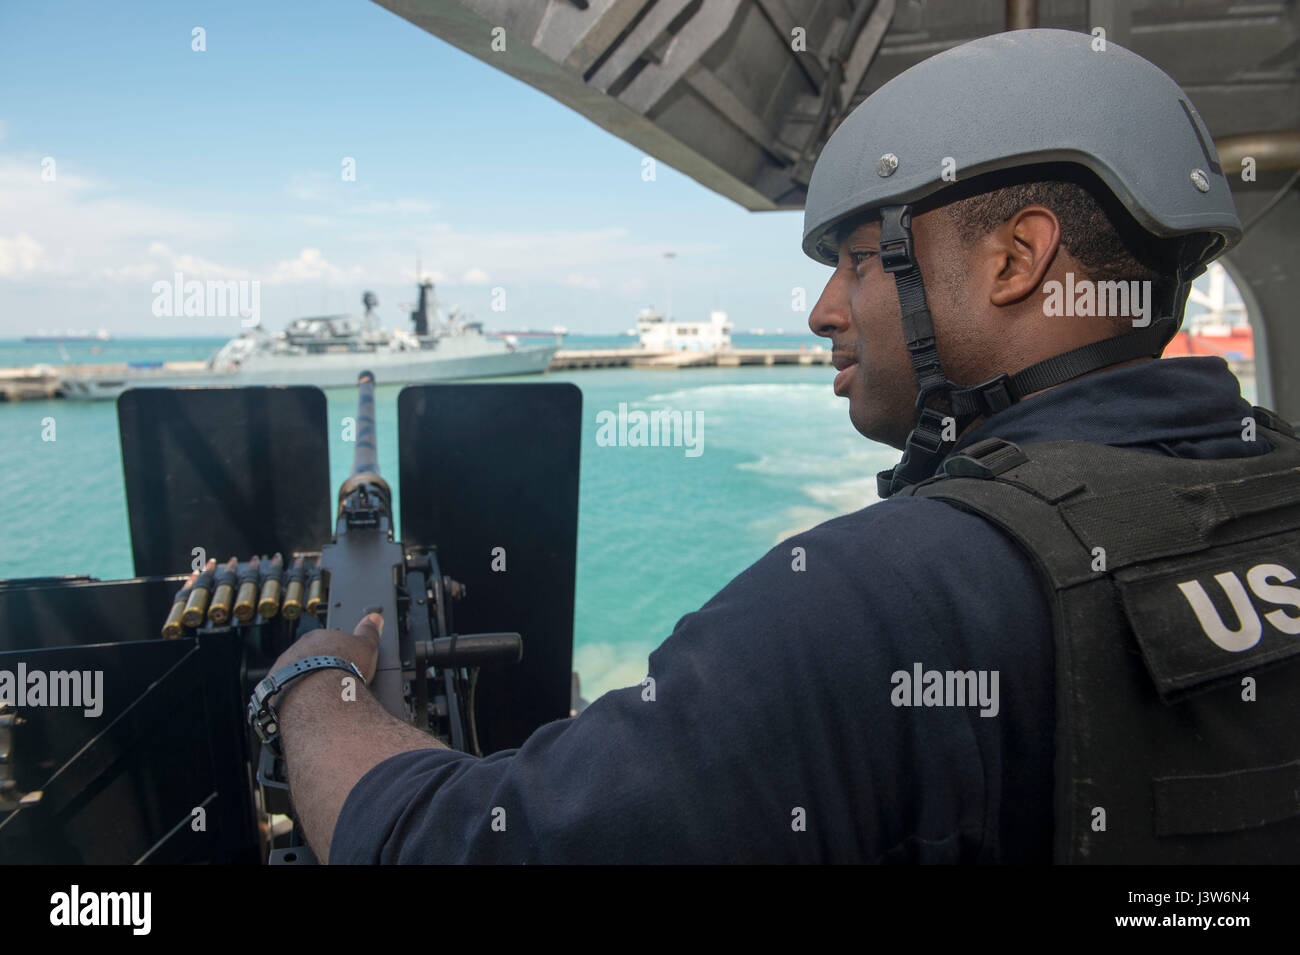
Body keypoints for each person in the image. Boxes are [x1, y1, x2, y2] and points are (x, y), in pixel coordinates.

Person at [263, 29, 1300, 863]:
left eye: (858, 260)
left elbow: (452, 844)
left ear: (1016, 259)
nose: (819, 311)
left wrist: (315, 686)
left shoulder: (885, 600)